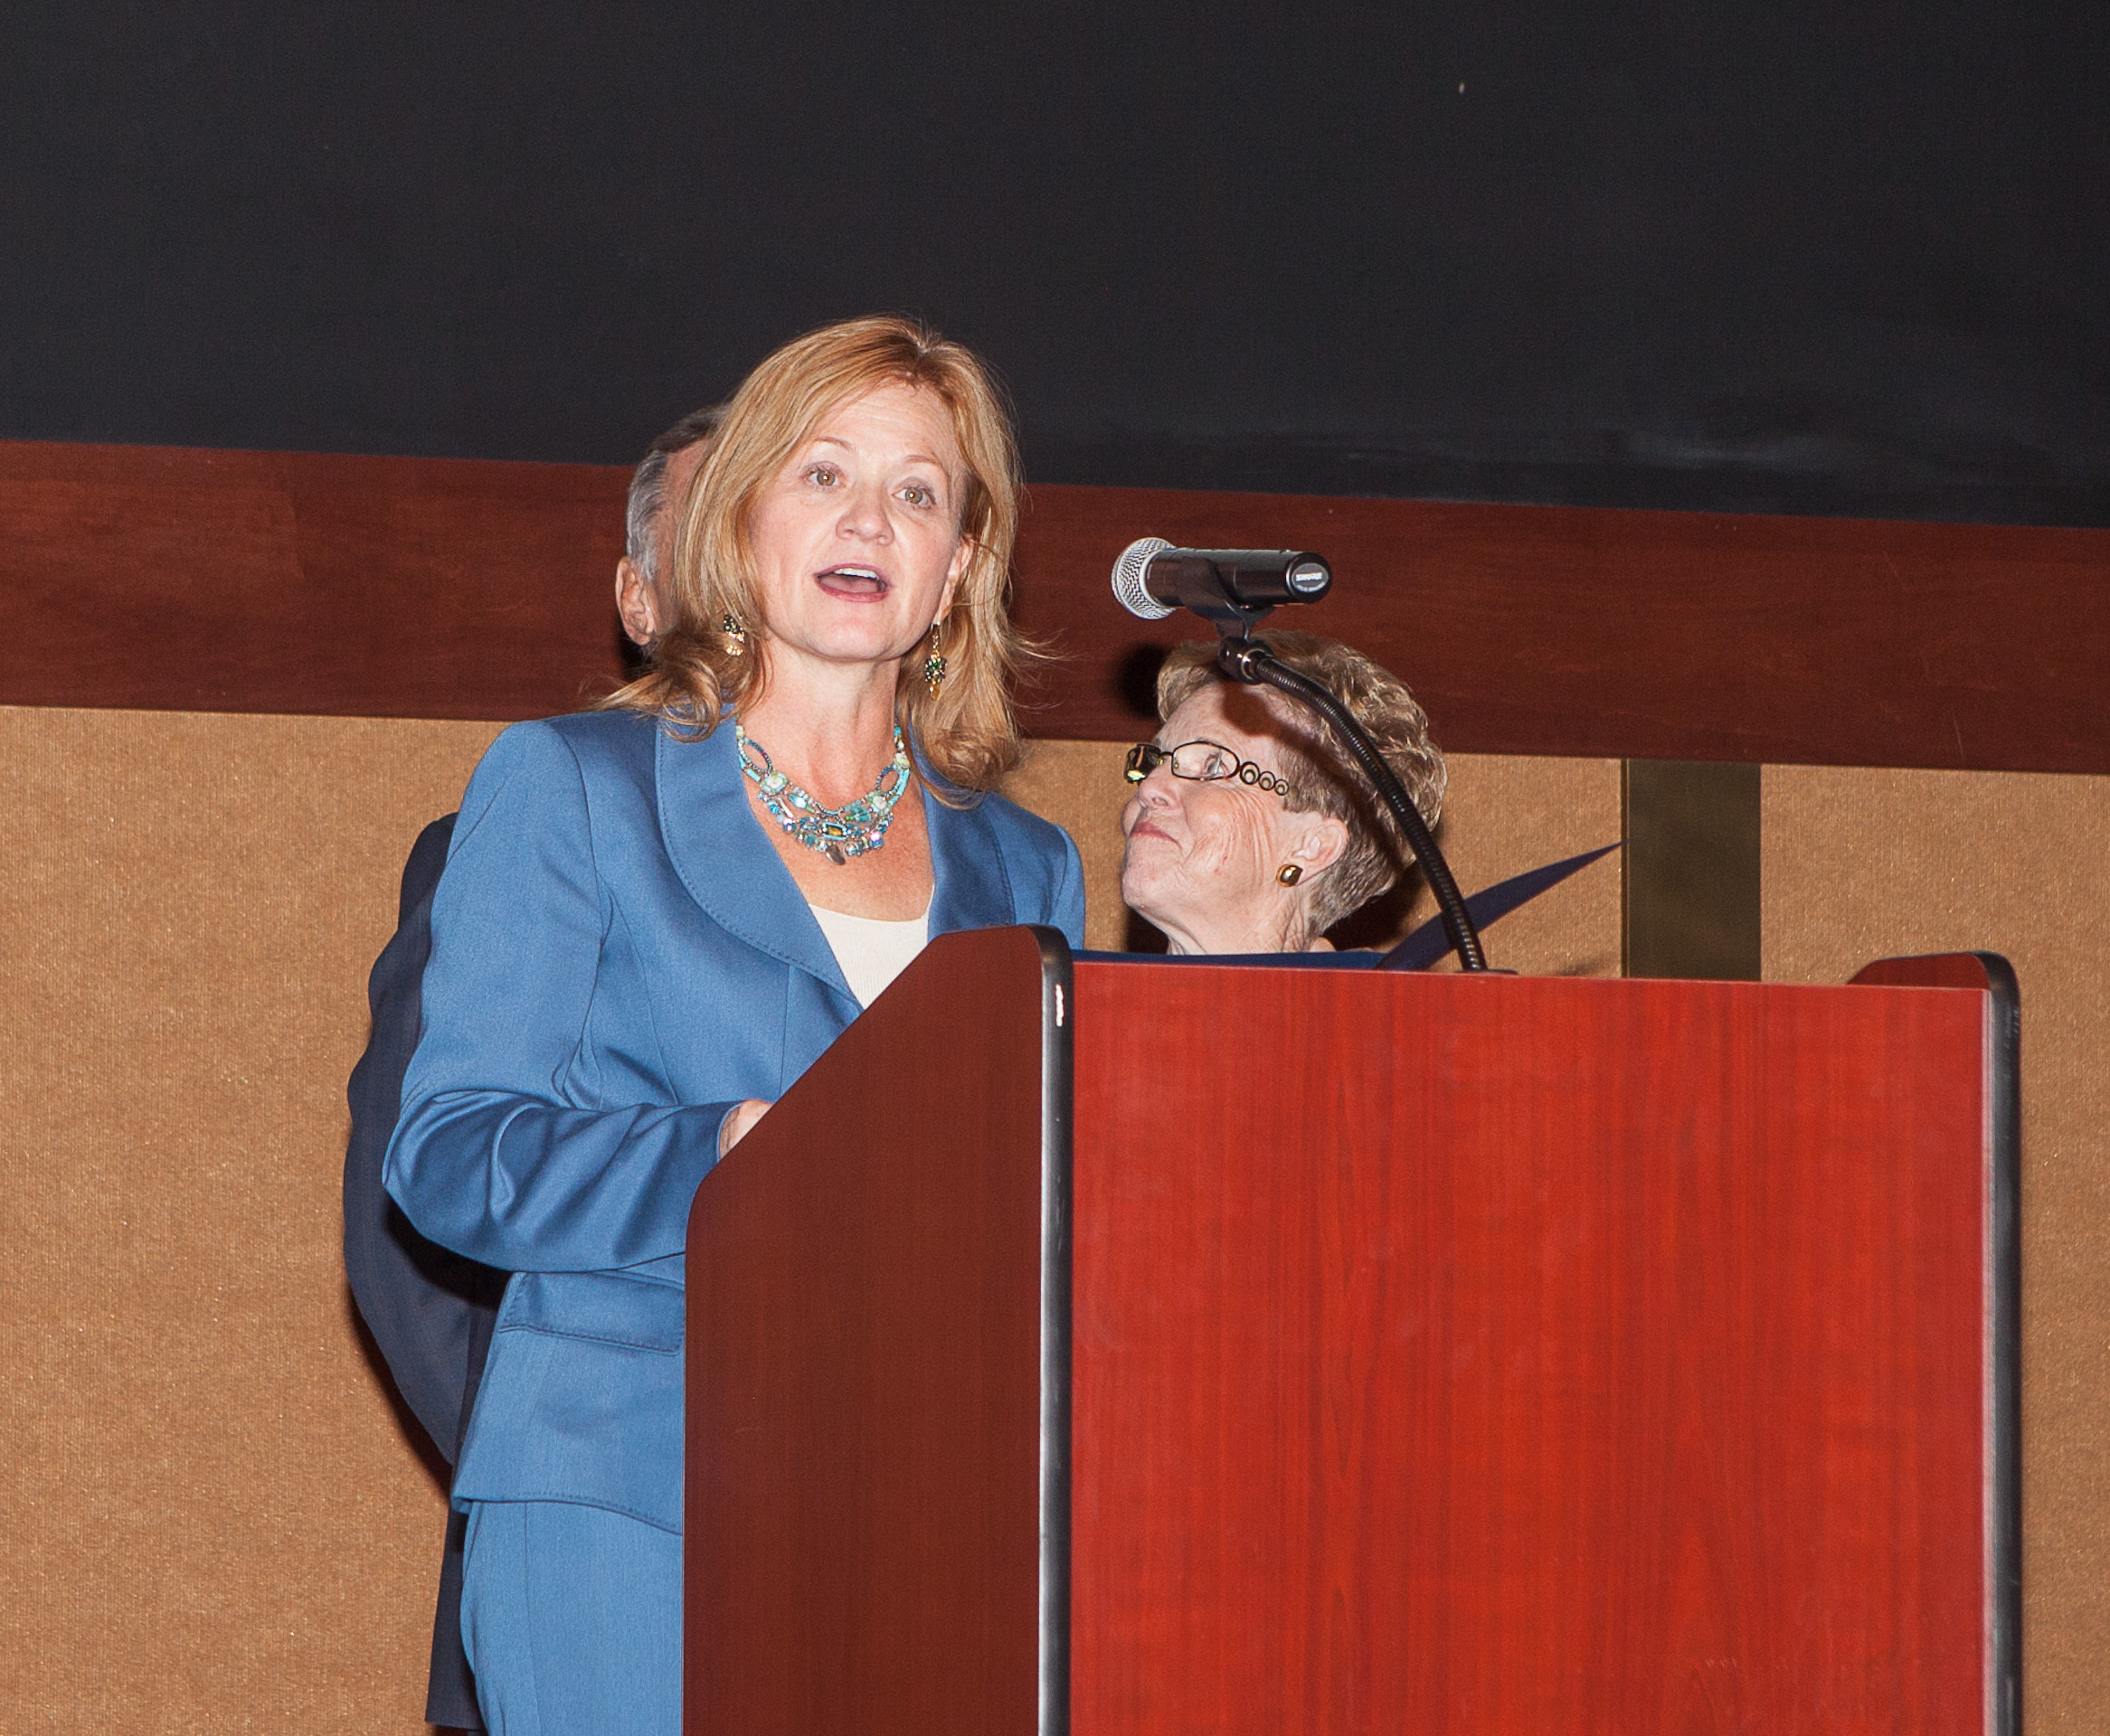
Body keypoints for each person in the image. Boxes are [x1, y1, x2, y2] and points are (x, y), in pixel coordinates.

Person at [383, 316, 1085, 1736]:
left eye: (917, 493)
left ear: (958, 567)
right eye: (823, 475)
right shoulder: (574, 787)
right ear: (742, 517)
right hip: (628, 1497)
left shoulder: (1030, 868)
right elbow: (448, 1154)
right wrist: (724, 1154)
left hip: (933, 1511)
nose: (867, 520)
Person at [343, 401, 720, 1730]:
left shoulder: (974, 861)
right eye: (712, 530)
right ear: (636, 598)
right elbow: (404, 1247)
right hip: (594, 1555)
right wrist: (555, 1462)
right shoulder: (527, 825)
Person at [1119, 629, 1449, 956]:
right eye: (1156, 761)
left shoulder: (1379, 992)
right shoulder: (1086, 987)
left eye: (1214, 767)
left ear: (1312, 846)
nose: (1149, 787)